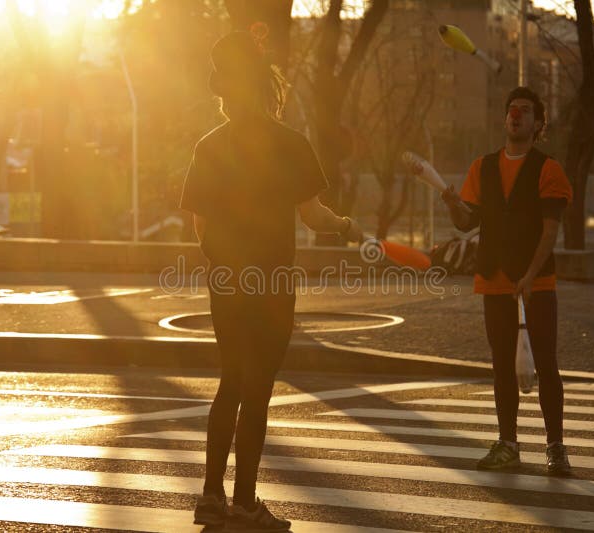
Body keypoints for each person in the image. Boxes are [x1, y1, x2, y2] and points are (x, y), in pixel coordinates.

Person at [180, 31, 363, 531]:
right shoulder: (289, 143)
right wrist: (345, 226)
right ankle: (245, 503)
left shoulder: (209, 146)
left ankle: (211, 497)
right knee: (257, 389)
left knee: (229, 384)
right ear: (265, 89)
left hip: (227, 283)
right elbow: (312, 215)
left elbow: (200, 226)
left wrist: (224, 266)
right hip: (272, 285)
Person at [439, 86, 573, 476]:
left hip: (537, 283)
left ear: (538, 124)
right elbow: (468, 222)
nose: (516, 115)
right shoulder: (483, 167)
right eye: (511, 110)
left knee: (546, 364)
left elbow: (550, 231)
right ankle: (508, 443)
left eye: (525, 111)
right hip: (494, 280)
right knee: (501, 366)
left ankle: (556, 447)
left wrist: (531, 275)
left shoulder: (548, 169)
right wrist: (452, 205)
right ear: (504, 118)